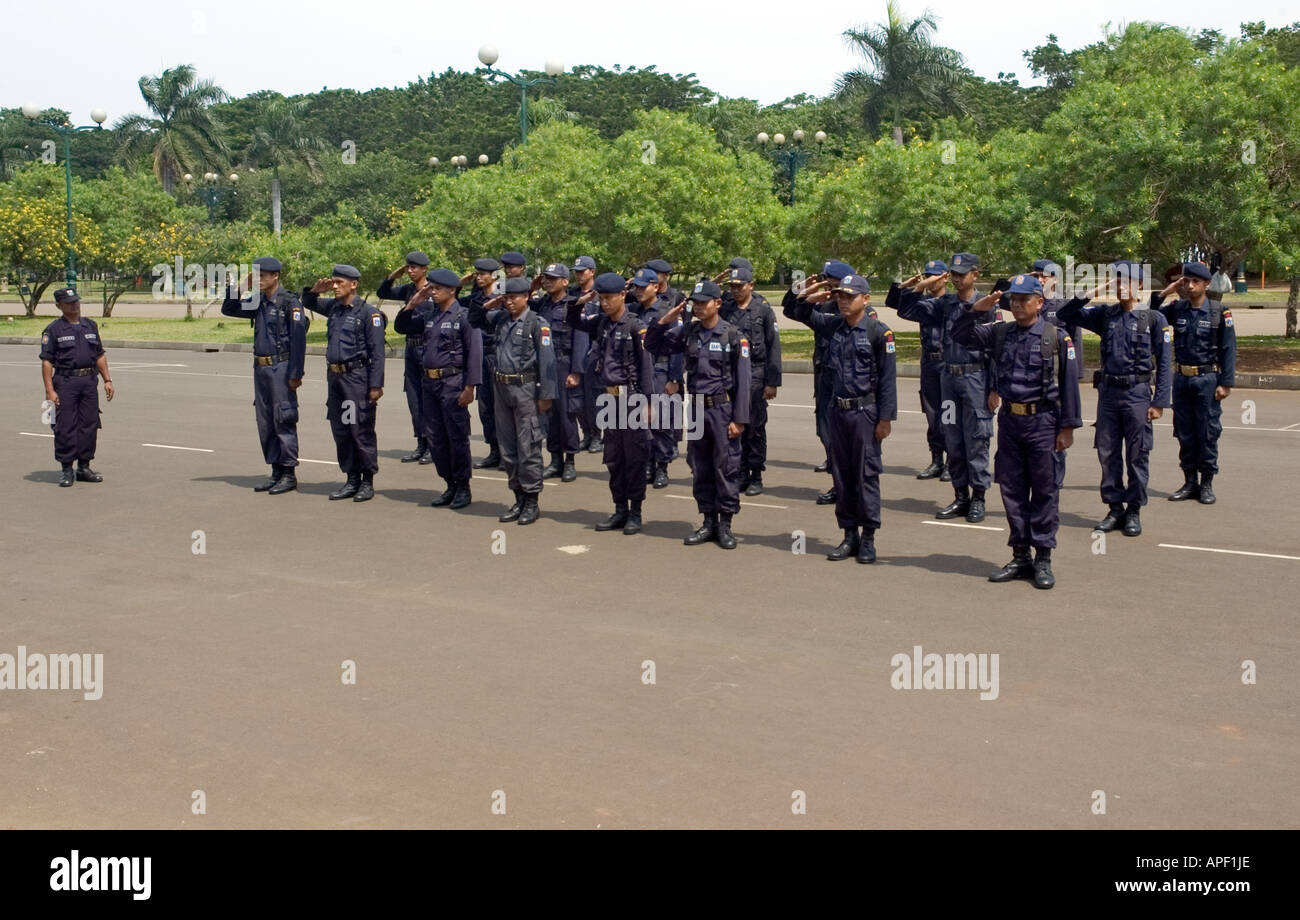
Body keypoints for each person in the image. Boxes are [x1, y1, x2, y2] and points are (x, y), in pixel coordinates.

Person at [953, 274, 1082, 589]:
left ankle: (1043, 559)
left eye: (1026, 299)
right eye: (1014, 298)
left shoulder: (1056, 337)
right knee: (1011, 490)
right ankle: (1020, 555)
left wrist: (1068, 427)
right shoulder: (1000, 333)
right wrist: (975, 309)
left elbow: (1070, 386)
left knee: (1044, 492)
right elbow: (959, 336)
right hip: (1011, 422)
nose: (1019, 304)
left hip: (1044, 424)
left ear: (1039, 302)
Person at [784, 273, 897, 563]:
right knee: (842, 475)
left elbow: (887, 379)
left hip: (865, 414)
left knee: (865, 475)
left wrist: (885, 419)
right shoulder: (832, 326)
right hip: (838, 412)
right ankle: (849, 535)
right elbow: (795, 310)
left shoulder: (878, 332)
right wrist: (810, 294)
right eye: (840, 296)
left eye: (850, 296)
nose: (844, 301)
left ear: (866, 299)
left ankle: (869, 537)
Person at [1057, 261, 1171, 535]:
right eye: (1117, 280)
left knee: (1137, 455)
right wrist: (1092, 291)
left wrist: (1159, 402)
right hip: (1108, 395)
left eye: (1126, 281)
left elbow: (1166, 362)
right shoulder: (1105, 315)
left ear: (1140, 286)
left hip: (1138, 395)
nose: (1121, 285)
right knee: (1107, 454)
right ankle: (1114, 508)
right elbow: (1066, 313)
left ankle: (1133, 510)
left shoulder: (1153, 319)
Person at [895, 252, 1000, 523]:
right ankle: (960, 496)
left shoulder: (987, 305)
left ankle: (978, 497)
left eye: (961, 274)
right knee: (953, 437)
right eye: (952, 274)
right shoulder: (945, 304)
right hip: (949, 380)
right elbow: (907, 310)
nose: (956, 278)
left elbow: (999, 350)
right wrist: (919, 287)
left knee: (976, 439)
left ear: (975, 275)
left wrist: (995, 388)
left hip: (976, 380)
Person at [646, 281, 751, 550]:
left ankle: (725, 525)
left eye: (704, 302)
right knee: (700, 466)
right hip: (696, 410)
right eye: (696, 302)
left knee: (725, 467)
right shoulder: (688, 332)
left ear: (717, 303)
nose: (699, 307)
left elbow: (744, 380)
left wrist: (739, 419)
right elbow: (653, 344)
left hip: (722, 409)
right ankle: (707, 521)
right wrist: (665, 320)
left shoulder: (732, 335)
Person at [568, 272, 656, 534]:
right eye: (601, 299)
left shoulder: (635, 327)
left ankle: (635, 513)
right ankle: (620, 509)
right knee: (614, 458)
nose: (605, 304)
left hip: (631, 399)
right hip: (609, 399)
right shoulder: (602, 323)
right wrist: (581, 301)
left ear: (622, 296)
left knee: (634, 457)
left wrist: (648, 403)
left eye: (609, 298)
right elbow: (573, 320)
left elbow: (646, 367)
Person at [468, 277, 556, 525]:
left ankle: (531, 501)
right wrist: (488, 305)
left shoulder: (537, 324)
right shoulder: (501, 320)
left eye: (514, 297)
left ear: (526, 296)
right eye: (506, 298)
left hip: (526, 390)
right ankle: (518, 496)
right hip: (501, 390)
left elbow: (548, 362)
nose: (509, 302)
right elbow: (473, 319)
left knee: (528, 446)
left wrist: (546, 396)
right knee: (508, 448)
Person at [394, 268, 483, 509]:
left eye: (436, 289)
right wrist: (412, 304)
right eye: (430, 288)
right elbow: (401, 327)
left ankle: (463, 486)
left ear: (451, 290)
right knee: (435, 437)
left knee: (456, 436)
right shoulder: (430, 315)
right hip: (429, 384)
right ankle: (449, 483)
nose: (431, 293)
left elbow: (474, 354)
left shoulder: (464, 316)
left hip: (453, 384)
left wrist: (470, 387)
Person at [220, 256, 309, 494]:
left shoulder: (290, 303)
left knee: (283, 417)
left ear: (275, 276)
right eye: (256, 275)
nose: (258, 279)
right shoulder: (257, 301)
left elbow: (299, 341)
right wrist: (242, 285)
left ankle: (288, 472)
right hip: (260, 368)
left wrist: (296, 373)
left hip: (281, 367)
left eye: (262, 275)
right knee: (266, 420)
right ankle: (275, 471)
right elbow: (228, 308)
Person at [1152, 261, 1237, 505]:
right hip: (1182, 380)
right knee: (1184, 432)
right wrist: (1166, 291)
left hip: (1207, 380)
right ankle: (1190, 482)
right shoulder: (1177, 309)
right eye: (1186, 281)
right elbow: (1151, 315)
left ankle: (1207, 483)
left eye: (1195, 282)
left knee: (1207, 433)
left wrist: (1226, 383)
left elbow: (1229, 348)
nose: (1190, 286)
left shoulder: (1219, 312)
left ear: (1206, 284)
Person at [302, 265, 386, 502]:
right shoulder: (335, 309)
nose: (335, 286)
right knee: (341, 430)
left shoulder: (368, 314)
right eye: (334, 282)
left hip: (356, 380)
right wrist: (315, 291)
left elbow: (377, 352)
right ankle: (351, 478)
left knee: (359, 429)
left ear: (354, 284)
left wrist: (375, 385)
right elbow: (309, 302)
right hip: (336, 379)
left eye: (339, 282)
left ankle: (367, 480)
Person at [782, 259, 862, 505]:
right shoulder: (824, 305)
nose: (828, 287)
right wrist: (801, 290)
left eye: (831, 282)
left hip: (848, 382)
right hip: (825, 375)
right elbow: (790, 310)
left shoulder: (855, 311)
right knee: (825, 428)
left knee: (848, 437)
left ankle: (849, 486)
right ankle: (838, 479)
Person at [40, 288, 113, 487]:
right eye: (69, 302)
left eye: (76, 301)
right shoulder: (53, 330)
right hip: (65, 383)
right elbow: (47, 361)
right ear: (59, 306)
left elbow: (99, 354)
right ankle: (66, 469)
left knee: (89, 425)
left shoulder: (90, 325)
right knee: (64, 426)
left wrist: (107, 379)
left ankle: (83, 467)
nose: (75, 304)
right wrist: (49, 390)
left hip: (89, 382)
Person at [721, 265, 782, 495]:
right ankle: (740, 472)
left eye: (740, 286)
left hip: (756, 374)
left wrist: (772, 381)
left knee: (755, 428)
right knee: (735, 426)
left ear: (751, 285)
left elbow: (773, 345)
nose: (736, 291)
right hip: (732, 374)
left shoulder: (763, 310)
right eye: (732, 287)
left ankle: (755, 475)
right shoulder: (726, 309)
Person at [887, 260, 948, 481]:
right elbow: (900, 308)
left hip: (947, 364)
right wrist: (905, 287)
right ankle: (936, 460)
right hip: (929, 364)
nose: (930, 281)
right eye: (927, 276)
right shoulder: (923, 302)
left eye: (935, 277)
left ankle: (953, 461)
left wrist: (920, 289)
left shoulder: (950, 302)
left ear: (945, 277)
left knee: (949, 416)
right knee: (932, 414)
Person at [529, 262, 587, 483]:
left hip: (564, 364)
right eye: (546, 278)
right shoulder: (541, 304)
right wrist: (531, 288)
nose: (548, 281)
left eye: (553, 278)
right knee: (548, 415)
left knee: (566, 415)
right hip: (544, 365)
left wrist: (576, 372)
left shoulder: (573, 305)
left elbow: (581, 339)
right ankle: (555, 460)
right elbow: (519, 305)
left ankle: (570, 460)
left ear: (565, 281)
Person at [1030, 259, 1085, 491]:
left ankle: (1055, 478)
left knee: (1056, 431)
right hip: (1033, 379)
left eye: (1045, 275)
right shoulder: (1031, 302)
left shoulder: (1063, 304)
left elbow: (1076, 340)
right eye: (1037, 275)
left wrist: (1076, 375)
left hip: (1057, 379)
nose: (1041, 279)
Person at [376, 251, 433, 464]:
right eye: (407, 267)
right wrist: (393, 275)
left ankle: (433, 445)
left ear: (424, 269)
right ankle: (421, 443)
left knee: (428, 399)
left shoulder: (432, 290)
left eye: (414, 267)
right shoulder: (408, 290)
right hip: (411, 349)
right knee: (414, 398)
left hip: (428, 349)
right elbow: (382, 292)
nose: (410, 271)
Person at [627, 267, 682, 489]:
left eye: (643, 287)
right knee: (641, 423)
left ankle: (662, 466)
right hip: (639, 372)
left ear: (656, 287)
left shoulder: (667, 313)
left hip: (660, 370)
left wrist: (674, 378)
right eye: (636, 288)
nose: (639, 292)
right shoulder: (633, 312)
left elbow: (678, 348)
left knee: (661, 423)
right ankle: (647, 464)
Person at [463, 257, 503, 469]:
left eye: (482, 274)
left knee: (501, 406)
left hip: (498, 354)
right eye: (476, 274)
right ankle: (494, 449)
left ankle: (506, 452)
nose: (478, 277)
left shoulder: (503, 298)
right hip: (481, 354)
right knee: (485, 407)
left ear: (494, 276)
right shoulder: (475, 297)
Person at [570, 256, 603, 453]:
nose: (578, 274)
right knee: (578, 398)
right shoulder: (572, 294)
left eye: (582, 271)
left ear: (592, 271)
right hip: (575, 349)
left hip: (594, 350)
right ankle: (587, 433)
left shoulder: (600, 295)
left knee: (594, 398)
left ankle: (597, 435)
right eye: (576, 271)